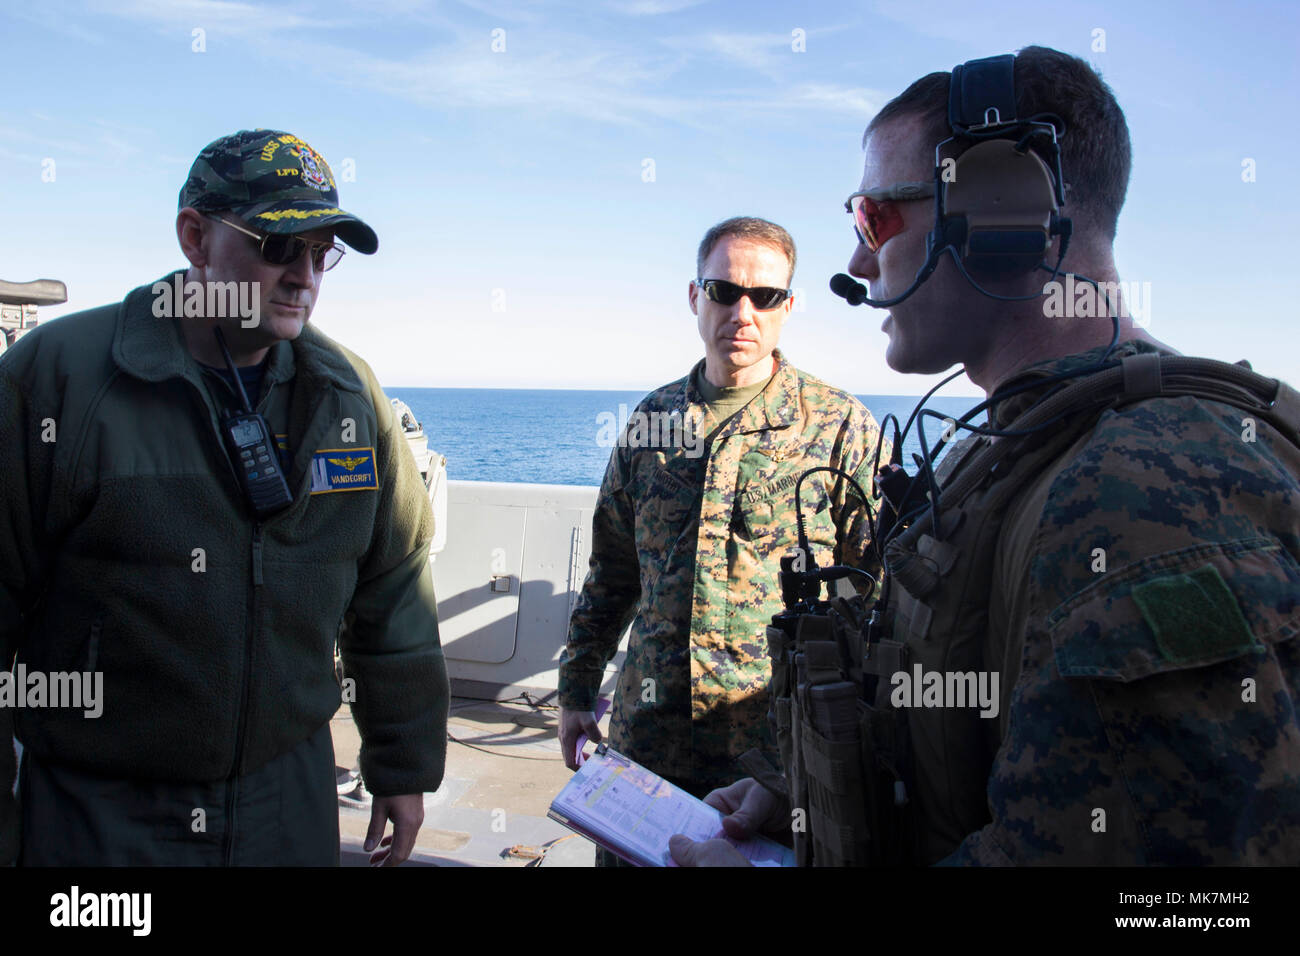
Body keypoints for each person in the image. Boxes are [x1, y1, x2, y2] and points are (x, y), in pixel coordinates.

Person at [671, 47, 1300, 866]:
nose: (861, 262)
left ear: (1003, 209)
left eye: (876, 218)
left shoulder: (1142, 492)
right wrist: (798, 788)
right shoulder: (1021, 445)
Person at [0, 129, 449, 866]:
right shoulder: (59, 381)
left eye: (321, 252)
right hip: (105, 813)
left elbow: (392, 588)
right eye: (278, 247)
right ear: (195, 237)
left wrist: (402, 766)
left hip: (288, 800)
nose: (304, 276)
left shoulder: (347, 396)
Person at [557, 217, 887, 846]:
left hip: (775, 757)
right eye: (723, 291)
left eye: (764, 297)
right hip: (649, 744)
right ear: (694, 297)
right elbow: (613, 573)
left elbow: (873, 599)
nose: (743, 312)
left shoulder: (842, 429)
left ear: (788, 307)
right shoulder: (651, 423)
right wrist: (576, 689)